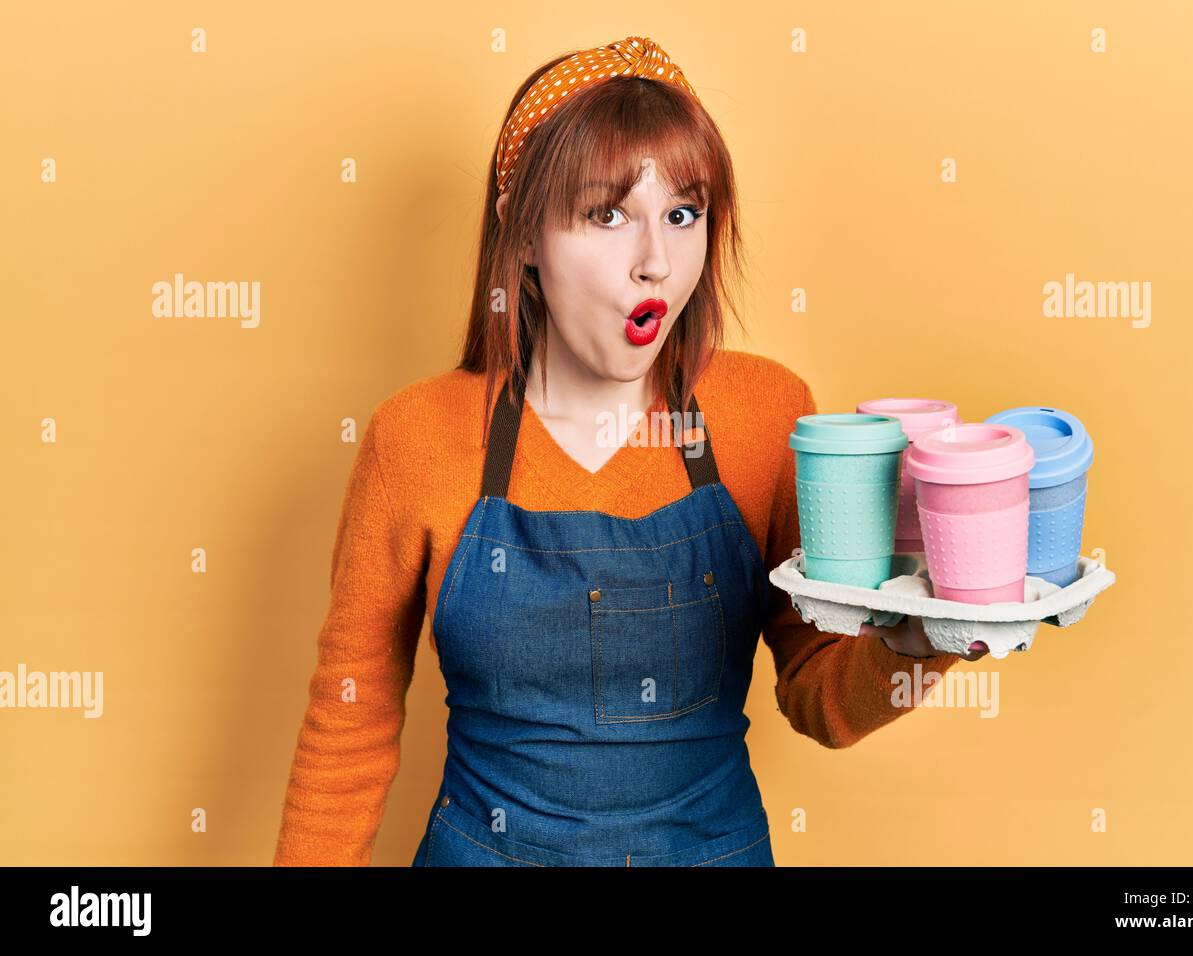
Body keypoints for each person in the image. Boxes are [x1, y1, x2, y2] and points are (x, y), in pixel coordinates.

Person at [273, 35, 986, 868]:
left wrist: (923, 637)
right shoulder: (417, 438)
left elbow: (821, 698)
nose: (656, 263)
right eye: (605, 214)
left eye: (682, 215)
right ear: (524, 236)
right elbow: (349, 727)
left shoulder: (765, 415)